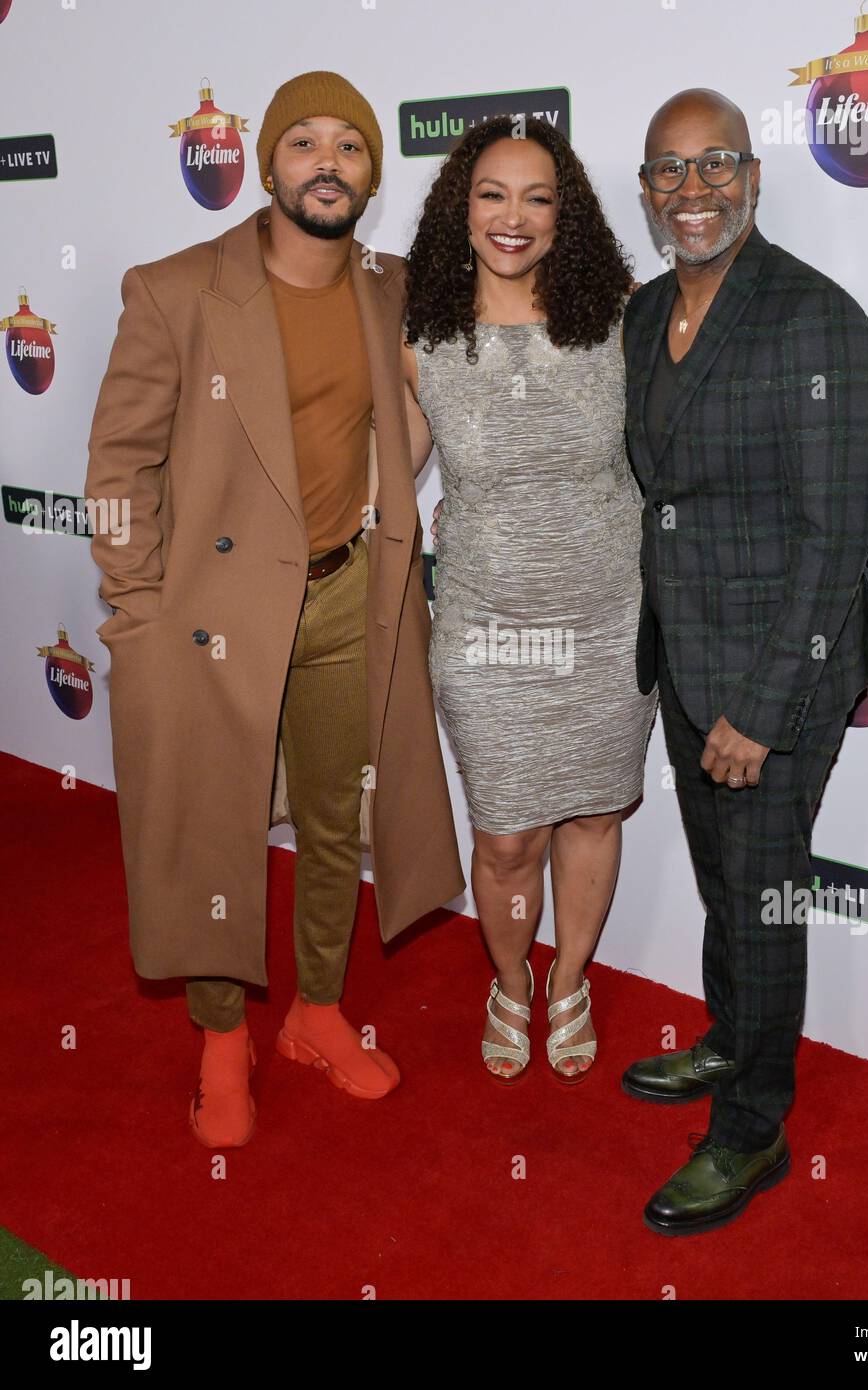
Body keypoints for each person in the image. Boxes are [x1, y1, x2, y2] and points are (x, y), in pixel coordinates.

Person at [84, 71, 463, 1149]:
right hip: (211, 617)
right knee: (217, 826)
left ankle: (316, 1009)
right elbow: (117, 467)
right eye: (305, 142)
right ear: (268, 164)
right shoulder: (178, 289)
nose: (328, 163)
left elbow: (414, 420)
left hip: (351, 597)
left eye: (349, 146)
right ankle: (220, 1037)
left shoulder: (390, 290)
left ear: (371, 176)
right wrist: (141, 613)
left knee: (338, 820)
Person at [622, 89, 868, 1232]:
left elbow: (837, 540)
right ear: (646, 193)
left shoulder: (814, 320)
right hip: (684, 654)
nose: (694, 190)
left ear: (754, 177)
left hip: (779, 668)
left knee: (764, 898)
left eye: (716, 164)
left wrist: (766, 710)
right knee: (726, 889)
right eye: (670, 172)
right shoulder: (641, 315)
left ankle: (752, 1132)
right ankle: (731, 1044)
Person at [401, 115, 657, 1084]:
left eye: (537, 197)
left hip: (607, 622)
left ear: (567, 212)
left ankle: (573, 979)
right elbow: (394, 482)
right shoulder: (423, 336)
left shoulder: (623, 316)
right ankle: (512, 982)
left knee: (592, 815)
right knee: (506, 835)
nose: (513, 217)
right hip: (487, 630)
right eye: (492, 195)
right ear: (459, 208)